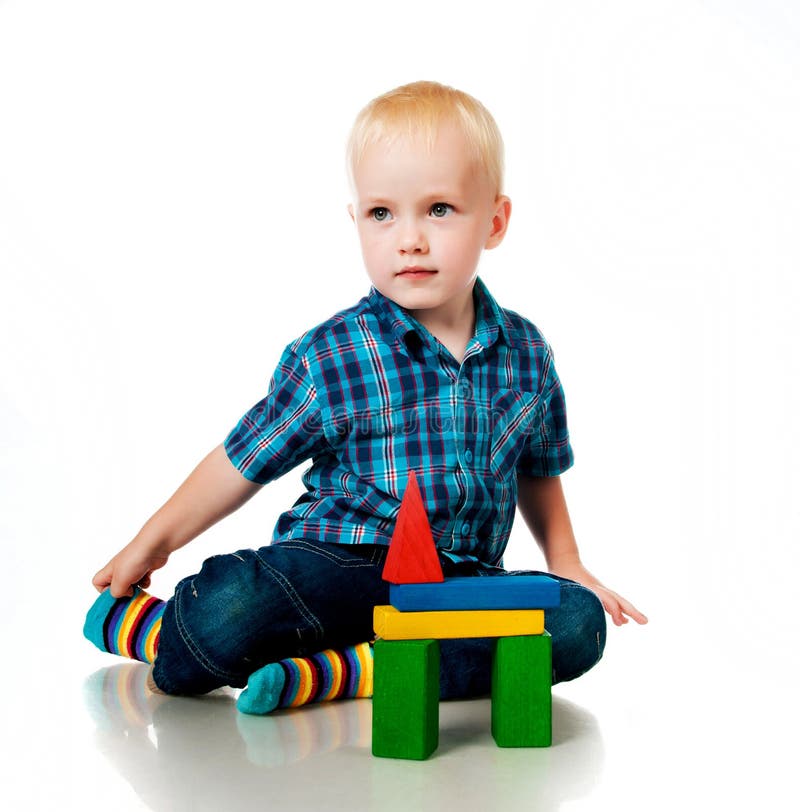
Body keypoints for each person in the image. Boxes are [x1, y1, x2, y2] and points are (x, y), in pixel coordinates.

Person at [85, 80, 647, 713]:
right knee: (232, 609)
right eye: (383, 213)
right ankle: (153, 628)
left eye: (439, 209)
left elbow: (539, 470)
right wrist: (154, 540)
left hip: (458, 580)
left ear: (494, 221)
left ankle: (350, 672)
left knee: (574, 623)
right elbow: (242, 461)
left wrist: (567, 561)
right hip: (341, 563)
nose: (409, 238)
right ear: (357, 220)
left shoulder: (527, 353)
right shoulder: (332, 354)